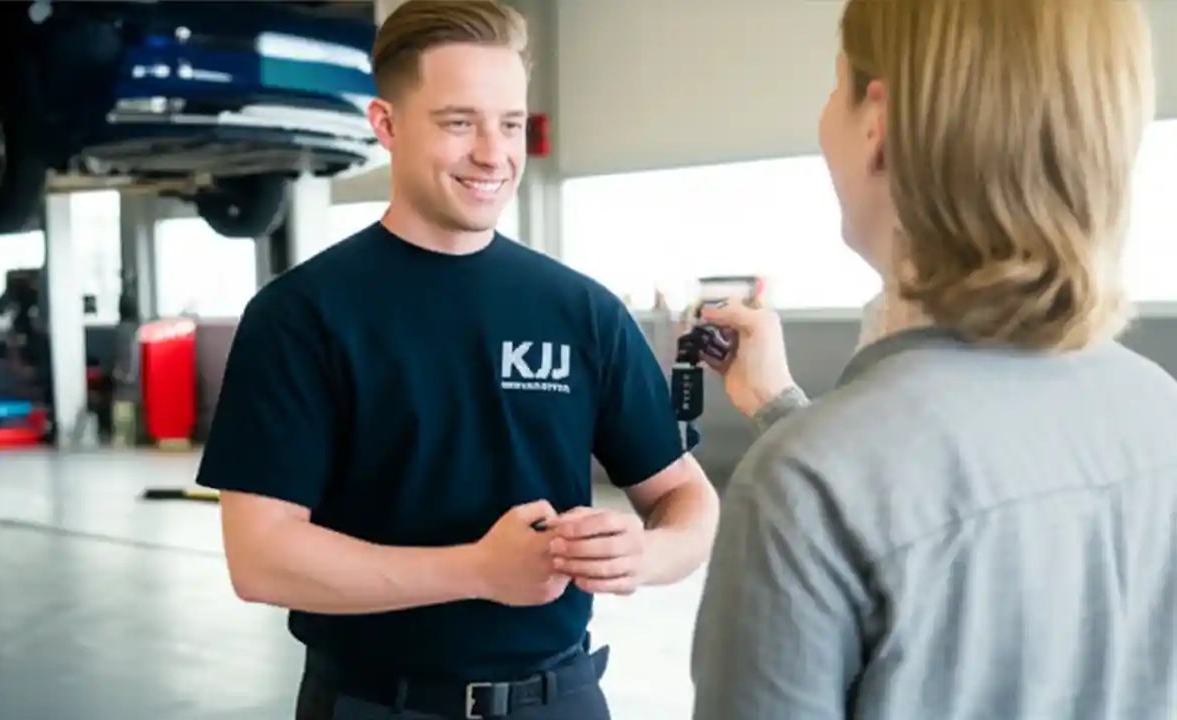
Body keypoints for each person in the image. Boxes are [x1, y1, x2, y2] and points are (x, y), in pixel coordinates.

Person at [194, 1, 720, 718]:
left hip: (560, 699)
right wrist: (476, 570)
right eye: (459, 122)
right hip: (378, 705)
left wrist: (644, 555)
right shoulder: (302, 316)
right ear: (387, 124)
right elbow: (260, 559)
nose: (493, 153)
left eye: (510, 124)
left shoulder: (582, 312)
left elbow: (685, 496)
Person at [689, 0, 1173, 718]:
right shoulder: (1158, 409)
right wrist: (781, 409)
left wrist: (802, 451)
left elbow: (887, 494)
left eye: (836, 87)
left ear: (877, 127)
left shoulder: (804, 487)